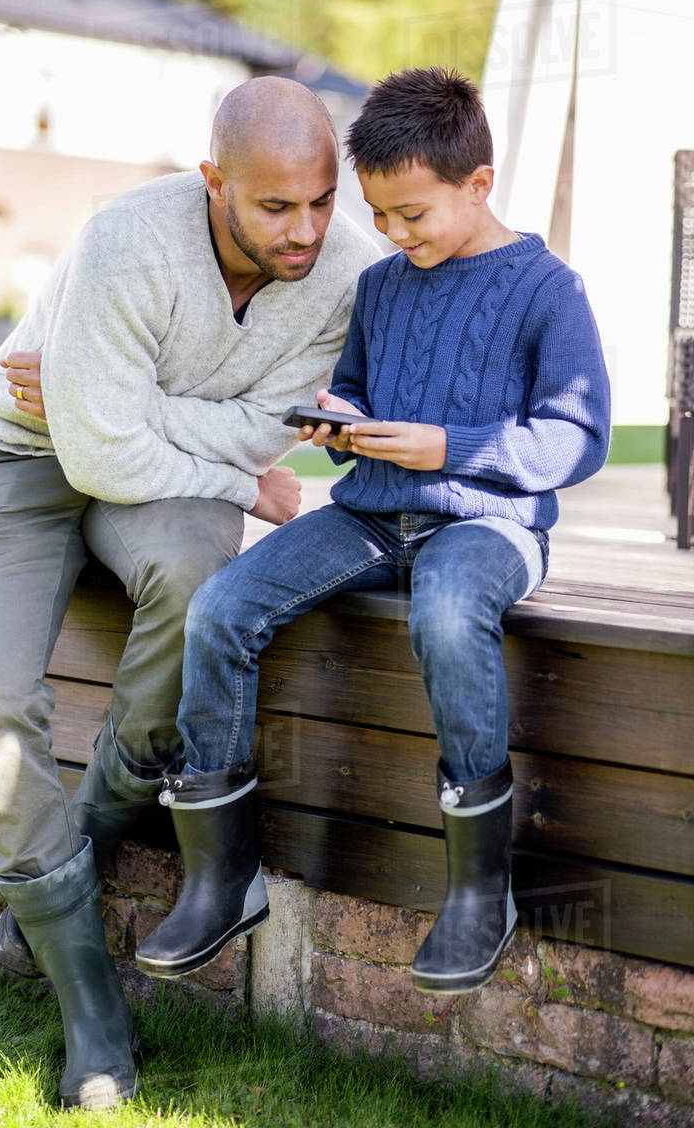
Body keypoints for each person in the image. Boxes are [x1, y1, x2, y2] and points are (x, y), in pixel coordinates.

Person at [0, 76, 379, 1109]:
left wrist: (138, 410)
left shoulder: (344, 273)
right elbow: (98, 452)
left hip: (154, 473)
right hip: (18, 453)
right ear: (212, 182)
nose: (305, 230)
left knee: (198, 582)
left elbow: (270, 425)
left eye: (321, 200)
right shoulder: (127, 240)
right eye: (276, 206)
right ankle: (90, 997)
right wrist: (230, 470)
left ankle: (80, 848)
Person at [133, 67, 611, 995]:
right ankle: (222, 875)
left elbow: (577, 436)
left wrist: (451, 447)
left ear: (477, 184)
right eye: (379, 215)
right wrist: (334, 417)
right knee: (222, 606)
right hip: (368, 513)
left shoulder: (550, 290)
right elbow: (355, 383)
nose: (391, 236)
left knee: (444, 614)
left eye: (412, 215)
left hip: (489, 525)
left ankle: (480, 890)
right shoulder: (385, 285)